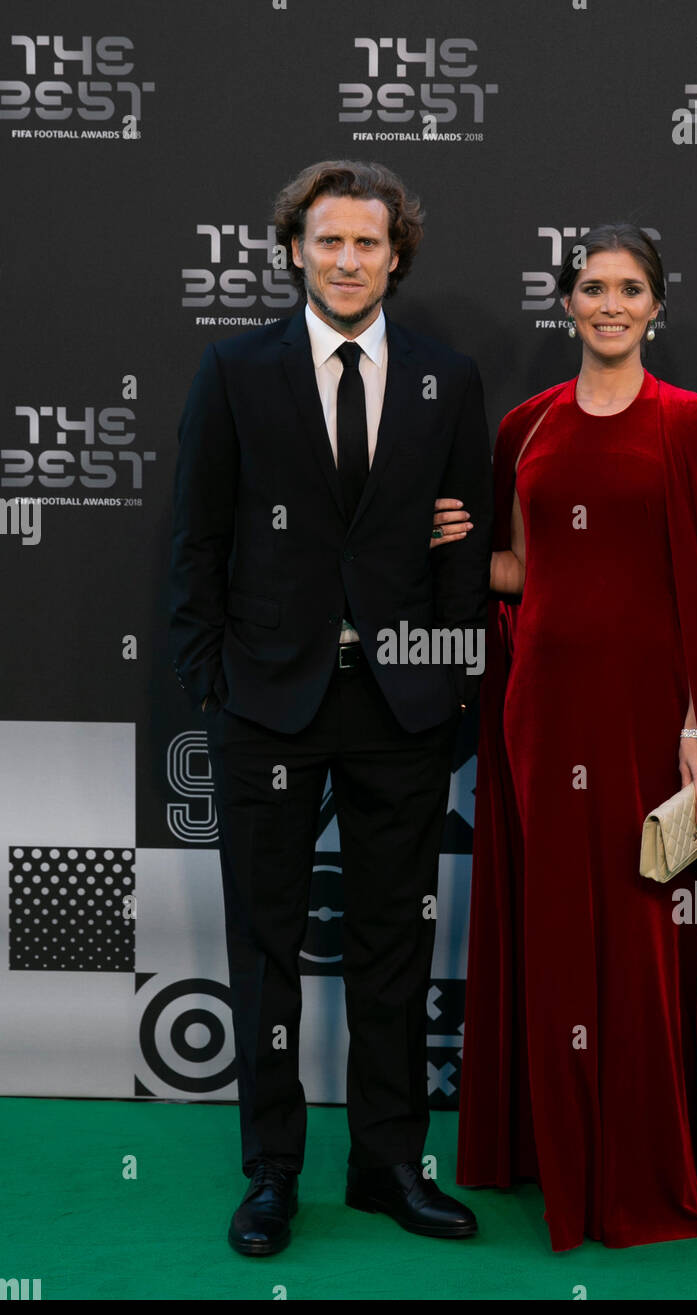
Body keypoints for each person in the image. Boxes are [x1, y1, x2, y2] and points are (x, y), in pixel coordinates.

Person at [169, 160, 493, 1255]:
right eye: (327, 240)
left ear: (395, 253)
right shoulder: (234, 368)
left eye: (367, 242)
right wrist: (213, 682)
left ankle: (387, 1163)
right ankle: (271, 1173)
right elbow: (196, 543)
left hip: (401, 704)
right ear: (293, 249)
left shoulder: (447, 379)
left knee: (392, 946)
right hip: (265, 701)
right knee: (263, 947)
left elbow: (460, 542)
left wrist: (451, 677)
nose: (347, 259)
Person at [449, 224, 697, 1251]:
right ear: (564, 302)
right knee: (556, 925)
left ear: (654, 306)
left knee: (646, 929)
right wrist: (448, 554)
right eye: (590, 286)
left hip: (649, 714)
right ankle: (559, 1154)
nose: (607, 303)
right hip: (541, 709)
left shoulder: (693, 427)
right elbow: (520, 572)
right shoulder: (524, 428)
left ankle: (646, 1157)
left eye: (627, 288)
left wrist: (695, 723)